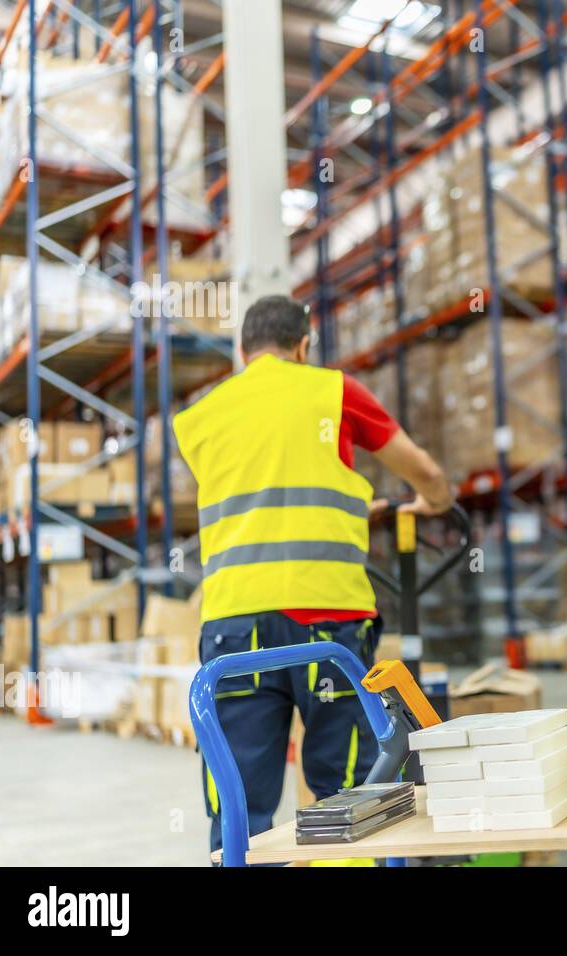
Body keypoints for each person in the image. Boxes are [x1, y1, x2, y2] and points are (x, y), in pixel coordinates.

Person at [173, 295, 454, 854]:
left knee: (239, 807)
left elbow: (267, 488)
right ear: (304, 346)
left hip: (234, 632)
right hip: (329, 629)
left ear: (241, 350)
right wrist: (435, 500)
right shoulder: (335, 392)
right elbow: (424, 470)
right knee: (347, 800)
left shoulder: (200, 417)